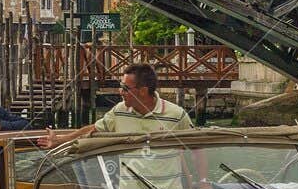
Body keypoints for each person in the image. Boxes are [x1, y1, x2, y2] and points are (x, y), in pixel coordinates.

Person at [39, 62, 192, 149]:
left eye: (125, 88)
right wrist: (60, 140)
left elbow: (197, 148)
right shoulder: (119, 111)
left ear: (143, 91)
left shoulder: (177, 115)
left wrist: (202, 180)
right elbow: (93, 129)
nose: (120, 91)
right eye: (121, 86)